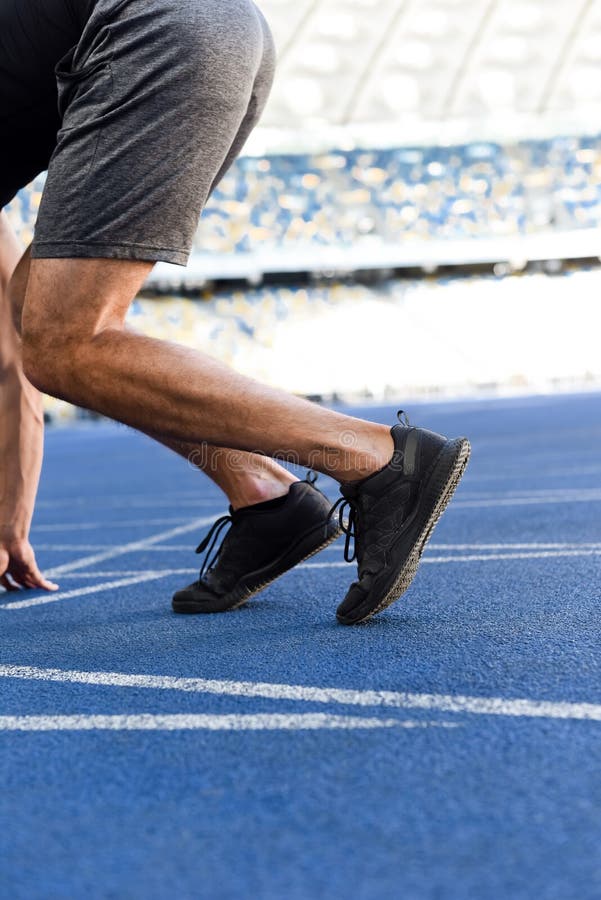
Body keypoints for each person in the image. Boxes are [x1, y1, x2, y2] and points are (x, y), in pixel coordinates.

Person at [0, 0, 470, 625]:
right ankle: (266, 496)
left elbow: (15, 363)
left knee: (66, 347)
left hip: (154, 33)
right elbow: (16, 331)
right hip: (199, 30)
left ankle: (380, 460)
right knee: (42, 316)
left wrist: (7, 518)